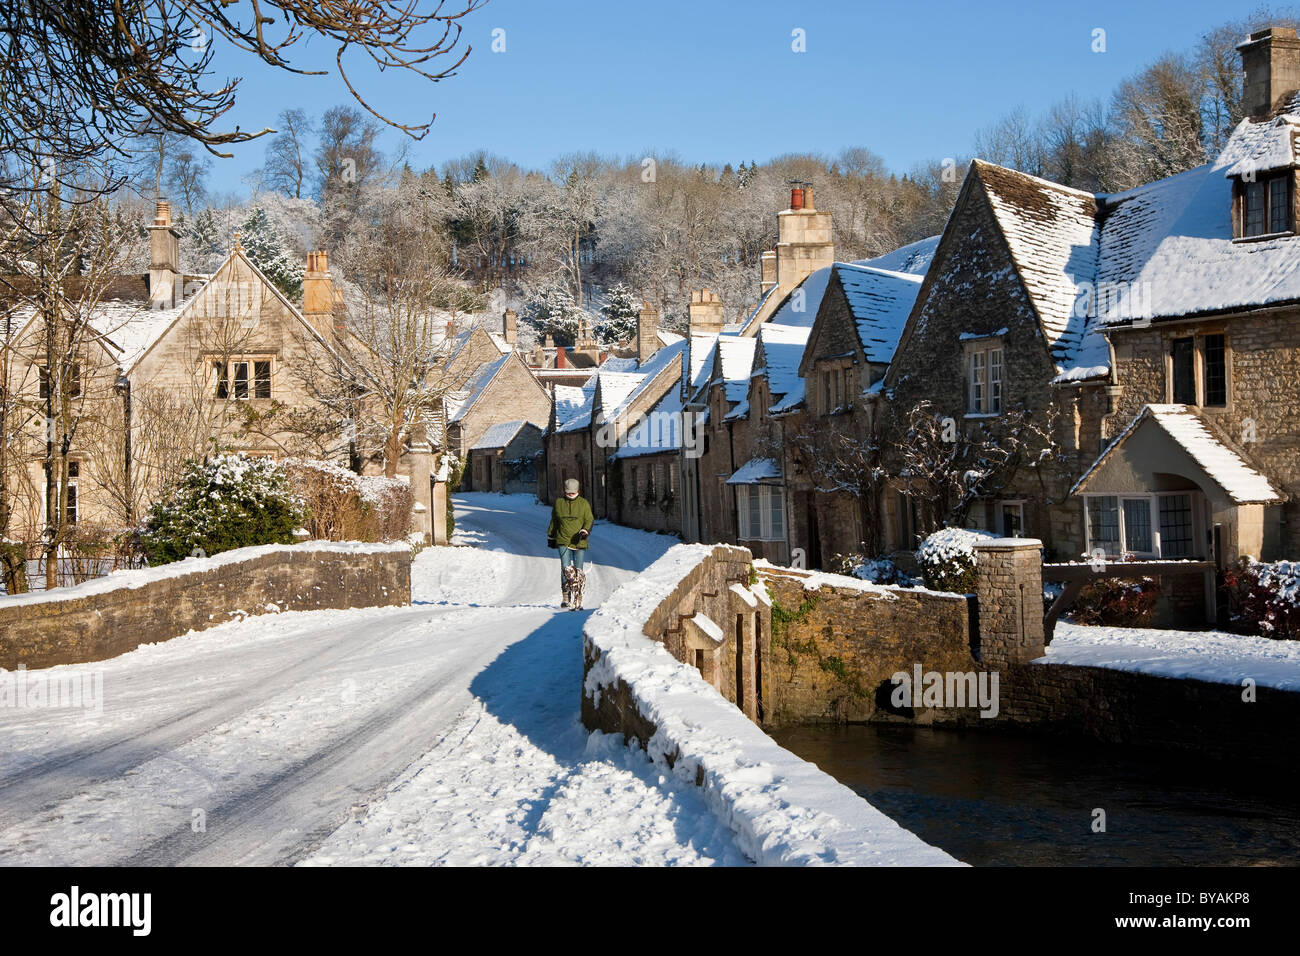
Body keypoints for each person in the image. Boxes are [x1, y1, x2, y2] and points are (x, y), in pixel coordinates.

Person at [547, 478, 593, 609]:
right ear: (564, 491)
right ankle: (566, 597)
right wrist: (551, 536)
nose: (571, 494)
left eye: (573, 492)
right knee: (566, 570)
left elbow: (589, 519)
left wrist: (585, 531)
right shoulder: (559, 503)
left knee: (578, 571)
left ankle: (578, 598)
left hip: (579, 541)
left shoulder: (584, 504)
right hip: (563, 540)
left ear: (578, 491)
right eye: (568, 492)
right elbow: (554, 521)